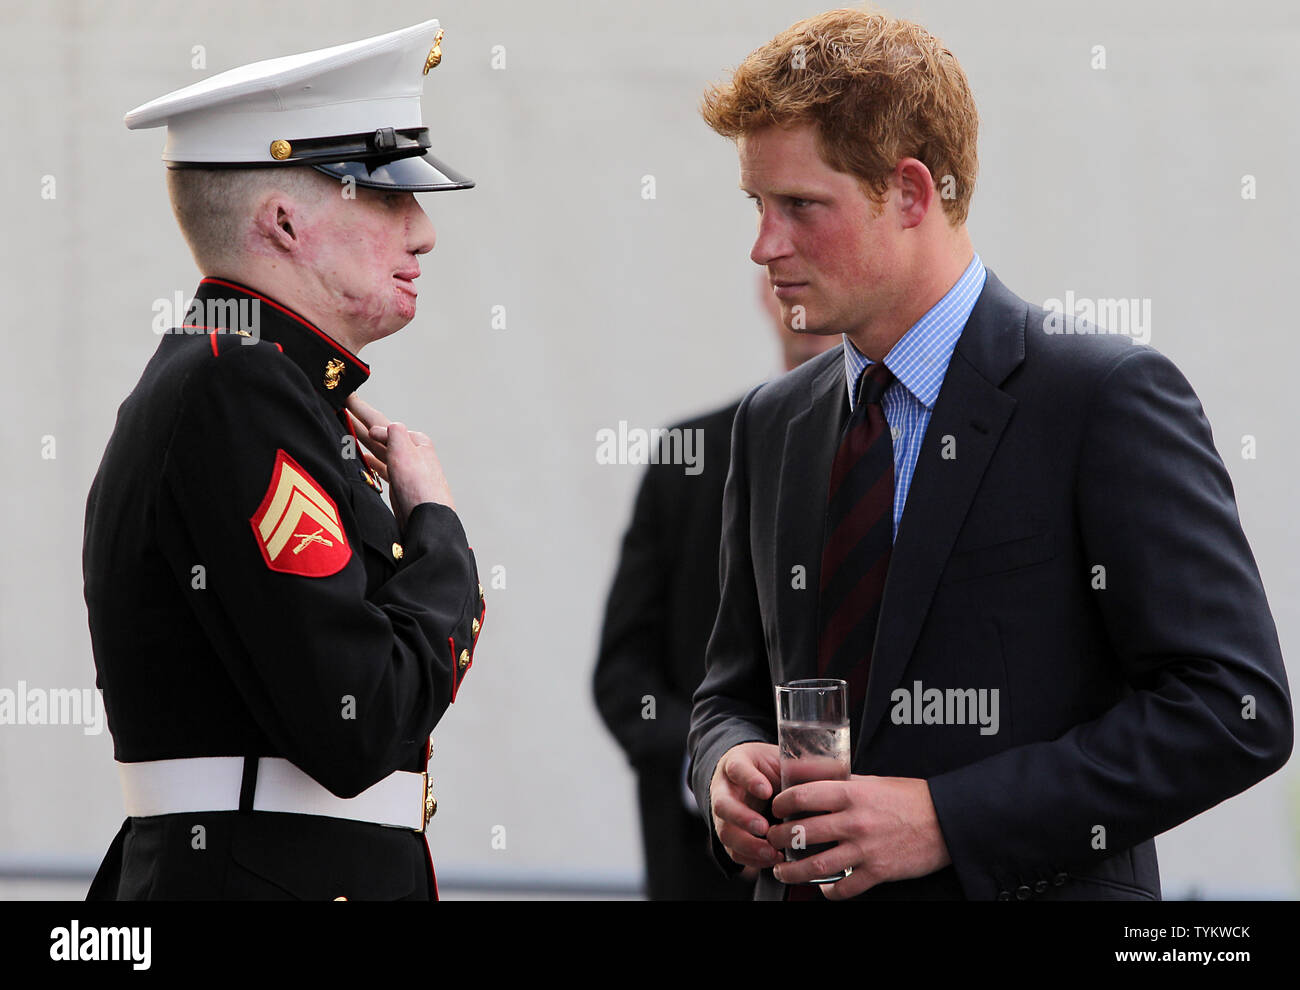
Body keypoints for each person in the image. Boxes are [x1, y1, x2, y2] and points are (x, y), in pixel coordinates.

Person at [687, 9, 1292, 901]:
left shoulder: (1104, 396)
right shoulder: (772, 422)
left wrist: (947, 818)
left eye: (800, 207)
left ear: (911, 194)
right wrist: (724, 765)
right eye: (757, 205)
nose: (764, 245)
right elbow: (727, 689)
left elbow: (1233, 713)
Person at [83, 19, 485, 901]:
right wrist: (437, 526)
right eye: (385, 197)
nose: (422, 233)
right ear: (285, 223)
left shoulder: (247, 379)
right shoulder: (240, 387)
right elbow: (363, 721)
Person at [593, 273, 837, 900]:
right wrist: (720, 782)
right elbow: (624, 677)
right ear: (766, 292)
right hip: (703, 870)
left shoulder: (912, 454)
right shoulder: (688, 455)